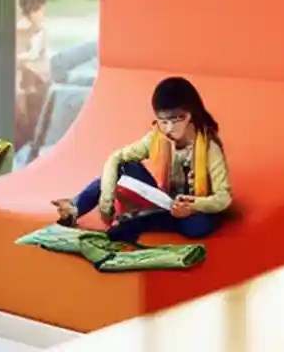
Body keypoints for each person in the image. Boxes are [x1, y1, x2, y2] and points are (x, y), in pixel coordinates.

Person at [51, 76, 232, 243]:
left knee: (197, 227)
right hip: (163, 200)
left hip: (194, 207)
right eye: (163, 121)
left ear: (189, 115)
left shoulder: (210, 148)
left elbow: (223, 198)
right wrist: (106, 197)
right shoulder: (157, 138)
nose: (168, 129)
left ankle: (139, 221)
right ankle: (74, 209)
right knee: (123, 167)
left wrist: (193, 207)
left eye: (175, 120)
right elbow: (116, 158)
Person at [15, 0, 51, 150]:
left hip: (25, 87)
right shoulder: (34, 31)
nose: (43, 14)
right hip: (32, 86)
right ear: (34, 8)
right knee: (32, 127)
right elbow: (30, 58)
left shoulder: (18, 29)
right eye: (41, 10)